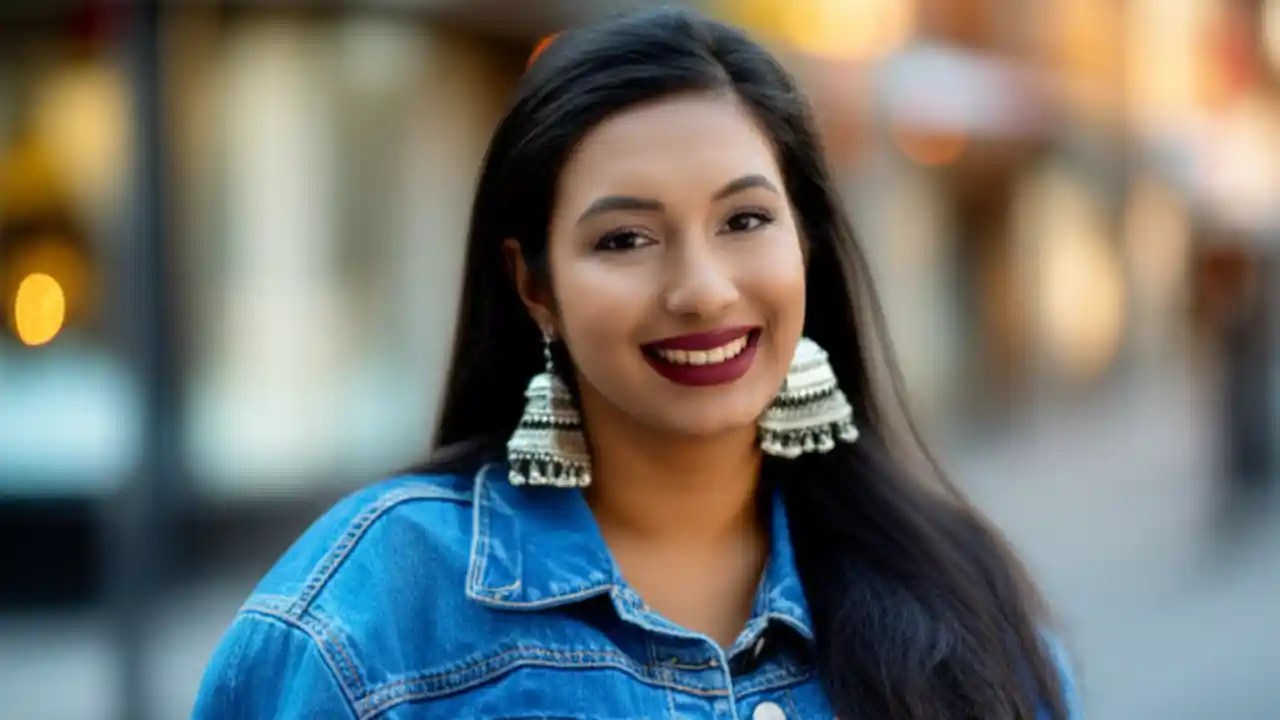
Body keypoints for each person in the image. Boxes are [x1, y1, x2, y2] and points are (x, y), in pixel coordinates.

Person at [193, 8, 1079, 719]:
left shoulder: (957, 591)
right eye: (625, 238)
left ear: (804, 243)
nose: (700, 290)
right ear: (533, 286)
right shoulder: (377, 616)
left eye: (744, 221)